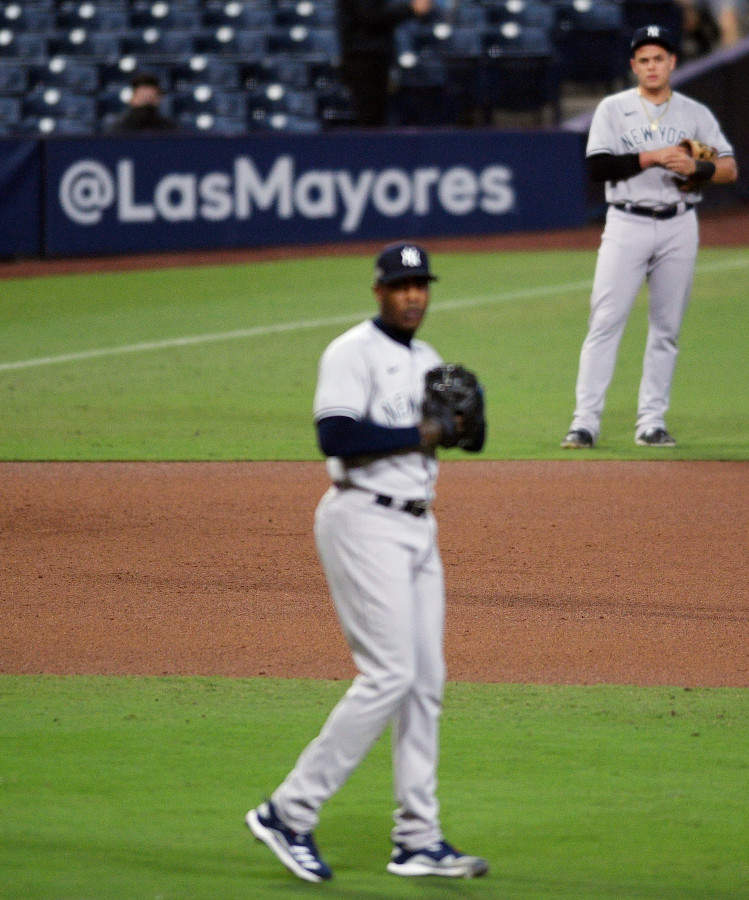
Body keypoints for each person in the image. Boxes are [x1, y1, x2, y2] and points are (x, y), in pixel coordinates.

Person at [245, 241, 488, 882]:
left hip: (416, 525)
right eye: (402, 285)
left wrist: (463, 430)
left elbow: (453, 438)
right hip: (361, 519)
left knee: (425, 682)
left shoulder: (429, 360)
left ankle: (418, 838)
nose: (413, 295)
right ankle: (288, 812)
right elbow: (337, 436)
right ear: (379, 290)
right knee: (388, 674)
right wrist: (426, 433)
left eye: (422, 285)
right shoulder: (350, 353)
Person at [561, 25, 737, 450]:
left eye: (659, 58)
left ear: (672, 63)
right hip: (626, 223)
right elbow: (599, 167)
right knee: (604, 322)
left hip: (679, 224)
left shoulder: (695, 112)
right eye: (644, 60)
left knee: (667, 328)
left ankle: (651, 423)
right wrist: (653, 156)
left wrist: (700, 169)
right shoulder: (613, 108)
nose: (652, 66)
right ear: (633, 66)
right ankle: (584, 423)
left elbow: (729, 168)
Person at [337, 0, 433, 127]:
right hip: (363, 59)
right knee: (368, 117)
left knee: (376, 117)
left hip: (373, 57)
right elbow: (371, 15)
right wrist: (410, 9)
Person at [106, 71, 176, 134]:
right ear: (132, 99)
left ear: (158, 99)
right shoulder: (118, 129)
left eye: (150, 99)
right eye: (142, 99)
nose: (146, 104)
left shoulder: (168, 129)